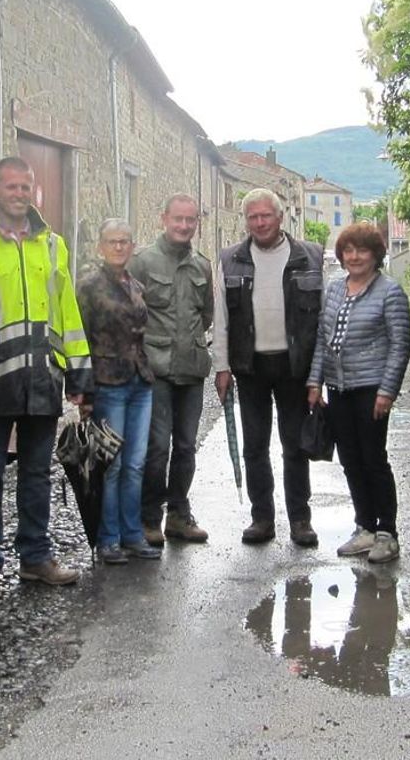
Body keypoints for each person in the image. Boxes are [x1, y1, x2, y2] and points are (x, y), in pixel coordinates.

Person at [0, 157, 93, 600]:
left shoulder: (52, 245)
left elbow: (67, 310)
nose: (19, 193)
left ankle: (36, 559)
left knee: (36, 474)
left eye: (25, 186)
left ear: (34, 191)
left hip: (42, 380)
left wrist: (78, 371)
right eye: (11, 186)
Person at [213, 188, 323, 547]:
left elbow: (321, 319)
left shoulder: (310, 256)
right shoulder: (230, 260)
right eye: (253, 217)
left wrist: (317, 375)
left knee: (295, 445)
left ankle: (300, 519)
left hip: (294, 366)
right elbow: (222, 318)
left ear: (280, 217)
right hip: (251, 366)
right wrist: (222, 367)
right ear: (245, 221)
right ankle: (262, 518)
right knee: (254, 446)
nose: (260, 223)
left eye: (266, 216)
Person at [306, 223, 410, 564]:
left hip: (371, 389)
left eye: (361, 250)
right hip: (339, 389)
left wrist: (387, 391)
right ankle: (364, 527)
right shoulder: (336, 290)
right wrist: (314, 382)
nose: (354, 257)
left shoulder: (390, 292)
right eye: (348, 251)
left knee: (373, 460)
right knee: (350, 460)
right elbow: (323, 339)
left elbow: (399, 347)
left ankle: (387, 533)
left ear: (375, 254)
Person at [127, 194, 214, 546]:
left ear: (196, 223)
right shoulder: (142, 262)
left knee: (186, 446)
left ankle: (179, 515)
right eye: (177, 219)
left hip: (191, 368)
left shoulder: (202, 266)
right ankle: (149, 518)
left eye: (190, 220)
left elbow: (206, 315)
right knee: (157, 446)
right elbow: (128, 314)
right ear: (163, 218)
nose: (183, 226)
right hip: (155, 370)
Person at [76, 219, 162, 564]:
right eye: (112, 241)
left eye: (125, 241)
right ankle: (107, 538)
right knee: (110, 464)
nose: (119, 247)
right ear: (100, 246)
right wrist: (82, 390)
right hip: (107, 382)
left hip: (140, 381)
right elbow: (79, 337)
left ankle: (132, 534)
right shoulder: (89, 286)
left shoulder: (137, 285)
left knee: (136, 463)